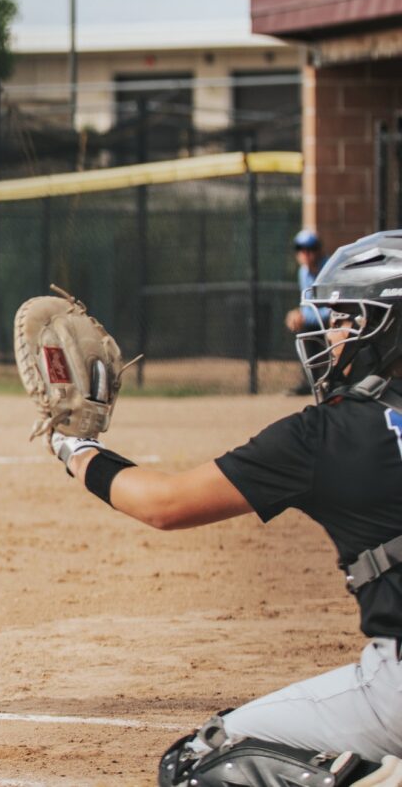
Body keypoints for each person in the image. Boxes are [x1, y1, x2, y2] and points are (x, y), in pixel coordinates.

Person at [48, 231, 402, 787]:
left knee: (199, 762)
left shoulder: (326, 435)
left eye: (346, 320)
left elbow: (163, 504)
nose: (329, 334)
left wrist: (73, 447)